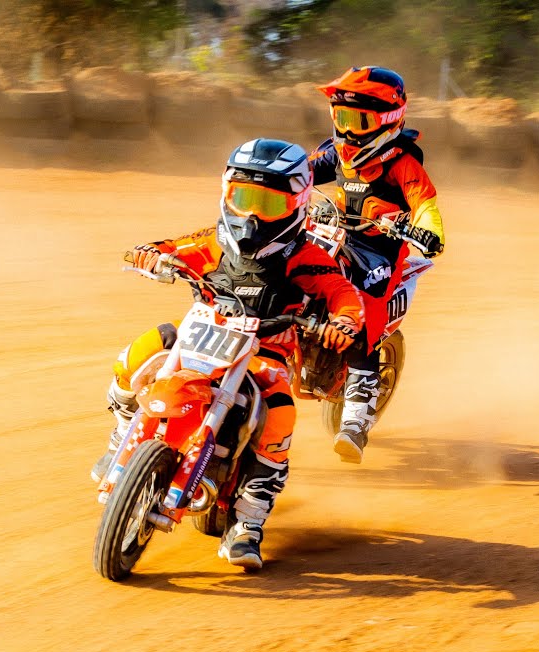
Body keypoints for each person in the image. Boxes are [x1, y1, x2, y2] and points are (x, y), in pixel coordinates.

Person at [91, 138, 365, 570]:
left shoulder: (305, 257)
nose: (252, 215)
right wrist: (151, 254)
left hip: (267, 351)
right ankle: (120, 434)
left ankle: (249, 522)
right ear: (226, 193)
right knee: (141, 351)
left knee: (279, 409)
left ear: (297, 202)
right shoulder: (216, 240)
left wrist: (344, 321)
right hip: (203, 335)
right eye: (243, 198)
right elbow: (174, 246)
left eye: (268, 203)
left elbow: (342, 293)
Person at [310, 65, 447, 464]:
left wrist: (427, 231)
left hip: (377, 252)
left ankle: (355, 418)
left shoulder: (403, 164)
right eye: (342, 118)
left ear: (386, 120)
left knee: (363, 308)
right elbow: (298, 171)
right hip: (330, 232)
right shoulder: (336, 154)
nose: (349, 131)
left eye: (359, 121)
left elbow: (425, 203)